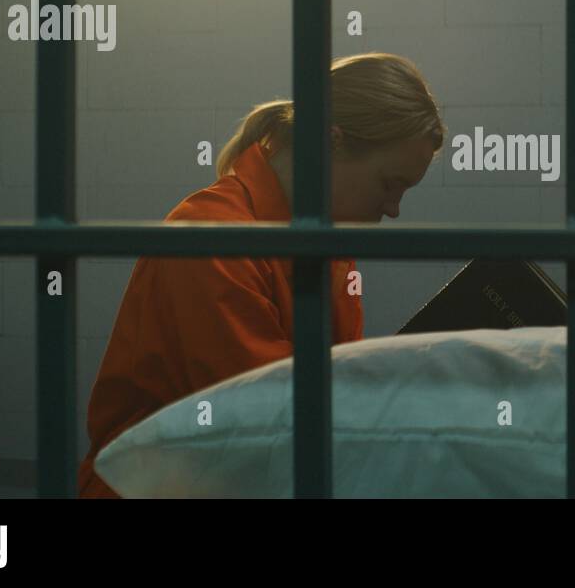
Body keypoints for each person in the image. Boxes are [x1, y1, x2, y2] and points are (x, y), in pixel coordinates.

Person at [77, 52, 446, 498]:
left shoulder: (327, 244)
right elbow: (269, 416)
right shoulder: (211, 237)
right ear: (331, 142)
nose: (393, 209)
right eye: (390, 183)